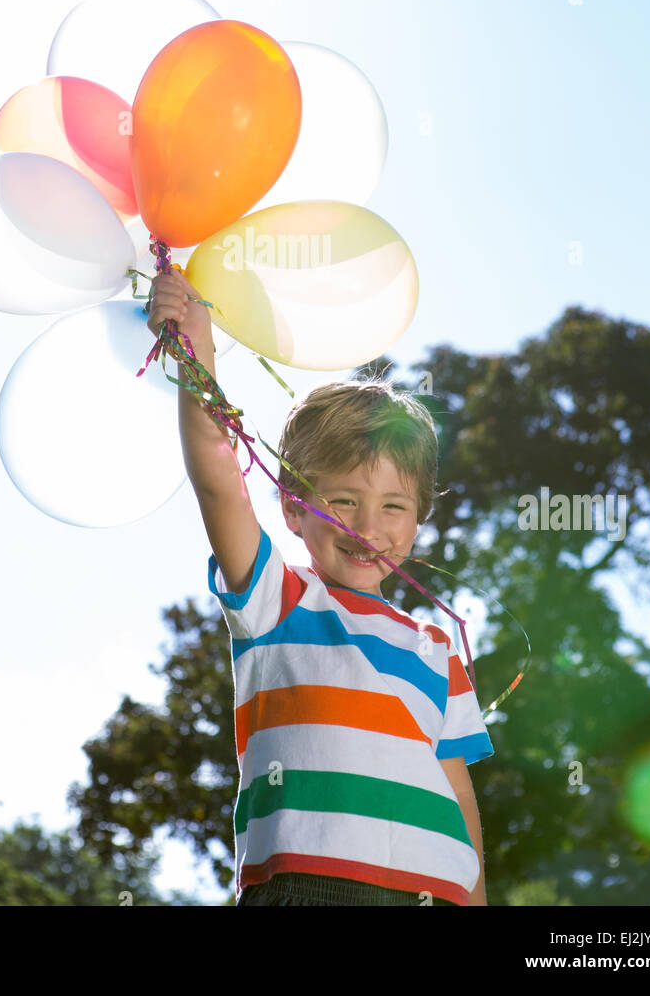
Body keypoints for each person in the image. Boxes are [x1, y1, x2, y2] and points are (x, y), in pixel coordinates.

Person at [147, 267, 494, 907]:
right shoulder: (276, 600)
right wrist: (196, 347)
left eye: (394, 506)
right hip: (311, 886)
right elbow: (220, 481)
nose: (368, 526)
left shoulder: (438, 650)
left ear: (419, 521)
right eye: (342, 500)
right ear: (293, 509)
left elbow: (458, 792)